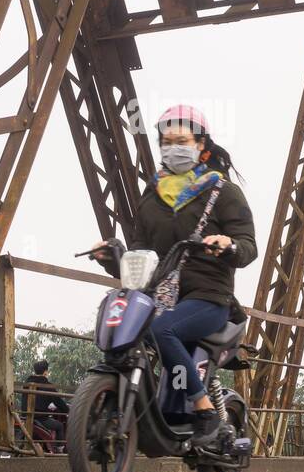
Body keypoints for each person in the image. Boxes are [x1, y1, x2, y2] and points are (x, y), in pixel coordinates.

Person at [90, 105, 258, 446]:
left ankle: (204, 409)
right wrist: (113, 257)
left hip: (208, 297)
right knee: (120, 327)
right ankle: (137, 406)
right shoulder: (152, 195)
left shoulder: (223, 192)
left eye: (181, 140)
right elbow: (142, 253)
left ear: (202, 147)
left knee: (161, 328)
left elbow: (248, 246)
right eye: (166, 142)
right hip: (159, 295)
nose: (172, 148)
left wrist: (227, 245)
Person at [20, 359, 69, 445]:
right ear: (45, 372)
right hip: (40, 418)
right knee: (60, 426)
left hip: (25, 416)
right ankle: (59, 450)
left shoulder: (26, 383)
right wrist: (68, 411)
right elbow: (59, 402)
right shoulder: (47, 386)